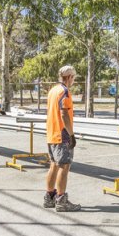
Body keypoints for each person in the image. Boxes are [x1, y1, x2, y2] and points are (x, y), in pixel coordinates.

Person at [44, 65, 81, 212]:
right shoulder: (64, 92)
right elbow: (64, 114)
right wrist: (71, 135)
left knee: (53, 165)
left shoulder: (53, 90)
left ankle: (49, 197)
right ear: (69, 77)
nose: (73, 80)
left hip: (52, 133)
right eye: (73, 78)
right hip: (62, 134)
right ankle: (61, 200)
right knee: (64, 167)